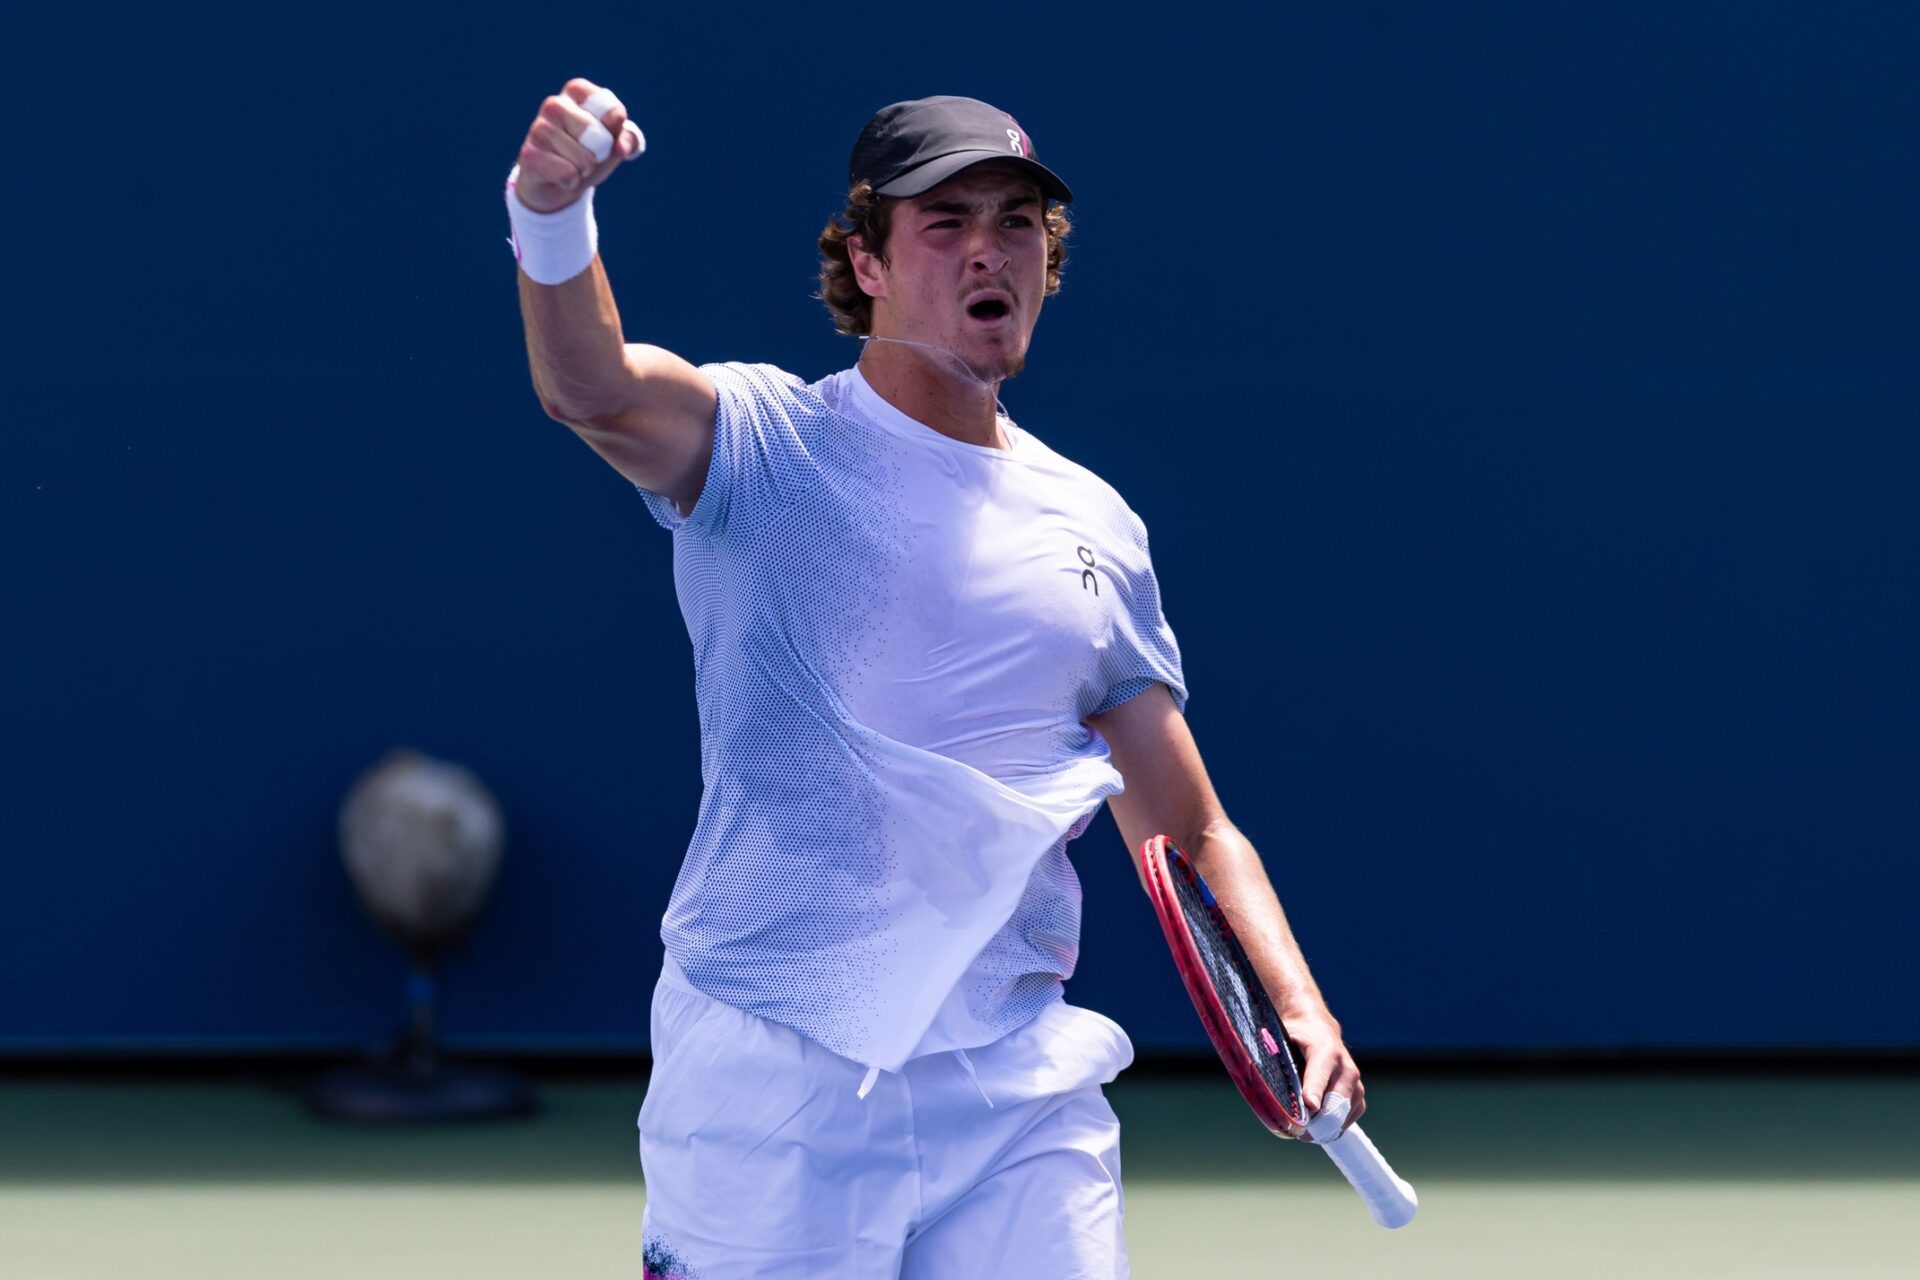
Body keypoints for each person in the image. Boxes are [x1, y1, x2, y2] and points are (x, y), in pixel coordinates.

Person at [507, 82, 1366, 1280]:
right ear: (865, 261)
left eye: (1018, 222)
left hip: (1013, 1077)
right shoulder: (766, 444)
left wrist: (1298, 1005)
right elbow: (590, 386)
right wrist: (550, 215)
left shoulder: (1095, 526)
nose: (988, 249)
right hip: (774, 1067)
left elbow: (1189, 825)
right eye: (944, 221)